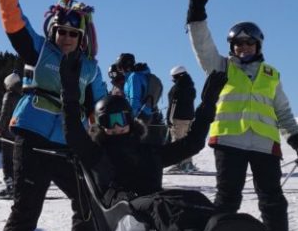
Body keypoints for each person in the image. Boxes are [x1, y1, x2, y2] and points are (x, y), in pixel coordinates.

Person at [185, 0, 298, 231]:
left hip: (264, 145)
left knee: (272, 198)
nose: (243, 47)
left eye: (249, 42)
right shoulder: (220, 67)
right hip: (229, 142)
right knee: (227, 199)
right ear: (232, 46)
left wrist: (297, 140)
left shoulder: (271, 74)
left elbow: (282, 110)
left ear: (258, 45)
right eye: (238, 43)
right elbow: (202, 44)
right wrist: (196, 12)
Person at [0, 0, 107, 231]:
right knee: (27, 206)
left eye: (73, 33)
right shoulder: (40, 51)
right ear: (52, 31)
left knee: (86, 203)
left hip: (70, 144)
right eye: (61, 32)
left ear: (82, 35)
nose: (66, 38)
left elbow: (99, 105)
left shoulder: (90, 68)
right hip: (33, 136)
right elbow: (15, 23)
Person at [61, 49, 223, 203]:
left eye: (120, 119)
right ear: (100, 126)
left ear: (129, 120)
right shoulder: (96, 154)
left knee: (193, 199)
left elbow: (192, 144)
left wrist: (207, 105)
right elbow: (73, 132)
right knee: (163, 204)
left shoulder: (148, 152)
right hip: (124, 218)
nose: (116, 126)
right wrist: (69, 93)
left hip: (154, 222)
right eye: (108, 121)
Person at [0, 71, 23, 198]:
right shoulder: (23, 94)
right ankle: (19, 186)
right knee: (18, 160)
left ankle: (10, 186)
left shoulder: (9, 95)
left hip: (9, 133)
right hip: (21, 132)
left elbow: (4, 114)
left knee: (7, 160)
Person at [167, 64, 198, 172]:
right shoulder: (191, 87)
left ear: (178, 76)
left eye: (174, 77)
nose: (173, 80)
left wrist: (169, 119)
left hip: (177, 118)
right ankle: (188, 163)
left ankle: (180, 164)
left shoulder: (177, 88)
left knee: (177, 142)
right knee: (186, 141)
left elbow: (173, 105)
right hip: (189, 118)